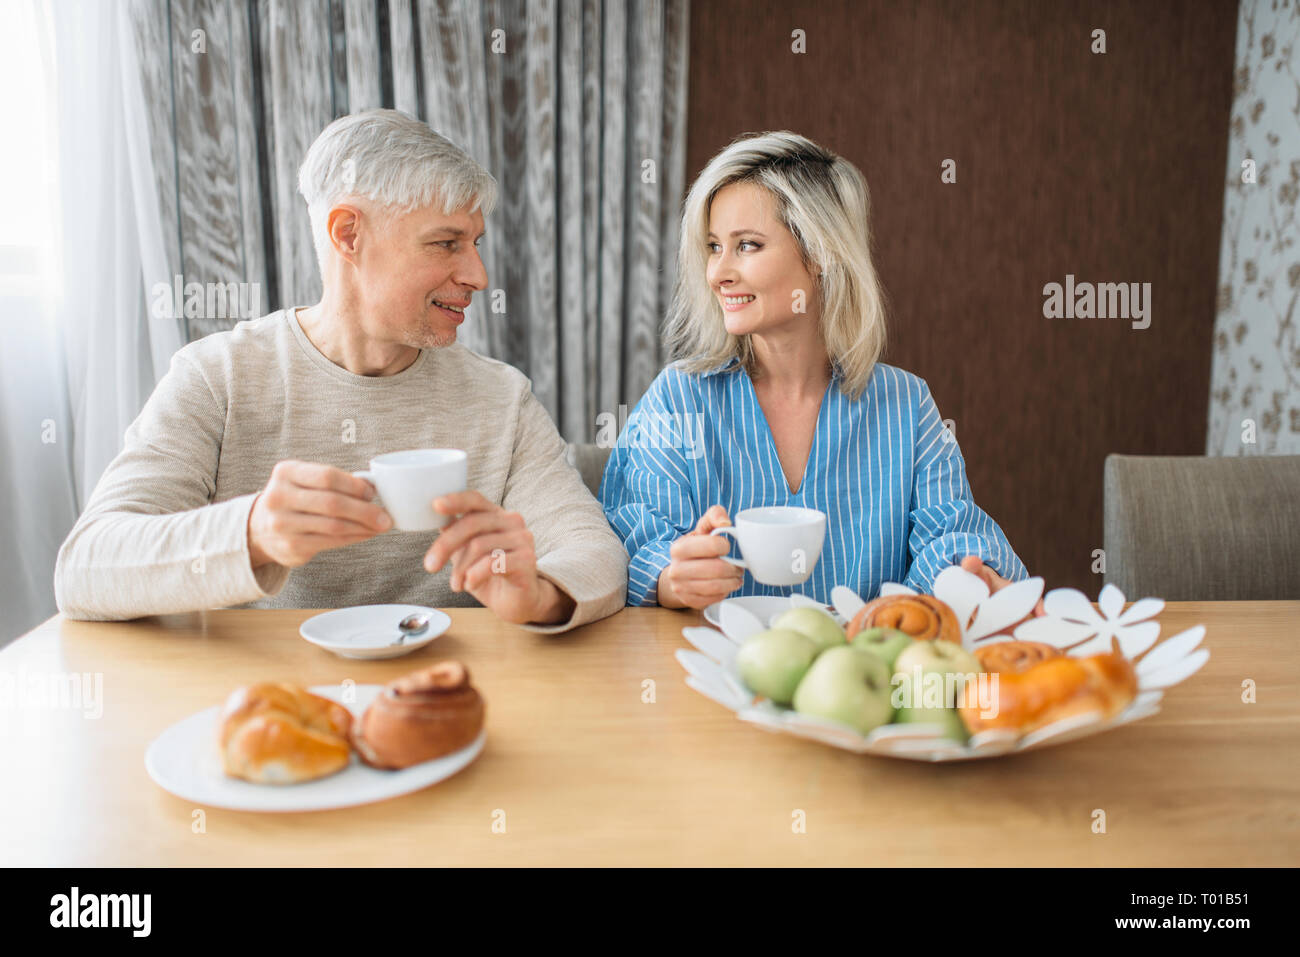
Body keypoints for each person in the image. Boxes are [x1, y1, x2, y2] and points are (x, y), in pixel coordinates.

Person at [54, 109, 626, 633]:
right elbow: (86, 568)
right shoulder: (218, 378)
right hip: (272, 705)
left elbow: (594, 552)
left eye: (475, 242)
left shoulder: (501, 398)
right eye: (446, 243)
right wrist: (251, 532)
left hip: (442, 695)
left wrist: (540, 595)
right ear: (348, 234)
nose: (478, 273)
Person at [600, 131, 1041, 614]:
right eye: (712, 246)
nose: (718, 273)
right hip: (710, 676)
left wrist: (971, 576)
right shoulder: (678, 398)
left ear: (821, 254)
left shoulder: (906, 405)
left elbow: (951, 534)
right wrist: (671, 576)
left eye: (746, 245)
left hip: (865, 679)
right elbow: (635, 541)